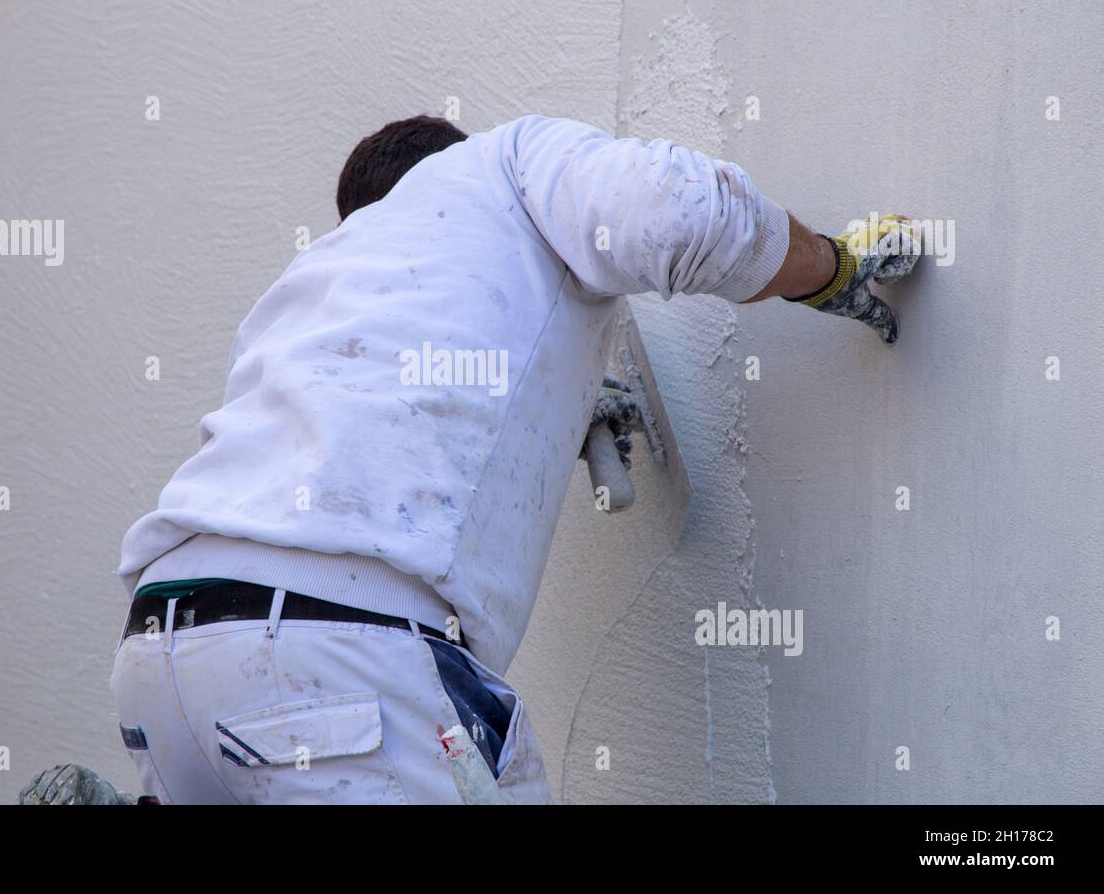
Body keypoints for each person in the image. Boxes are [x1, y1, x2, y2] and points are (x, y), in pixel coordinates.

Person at [109, 114, 922, 803]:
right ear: (448, 160)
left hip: (163, 659)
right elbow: (684, 212)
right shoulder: (505, 161)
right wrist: (827, 268)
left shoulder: (311, 283)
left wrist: (562, 398)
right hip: (334, 664)